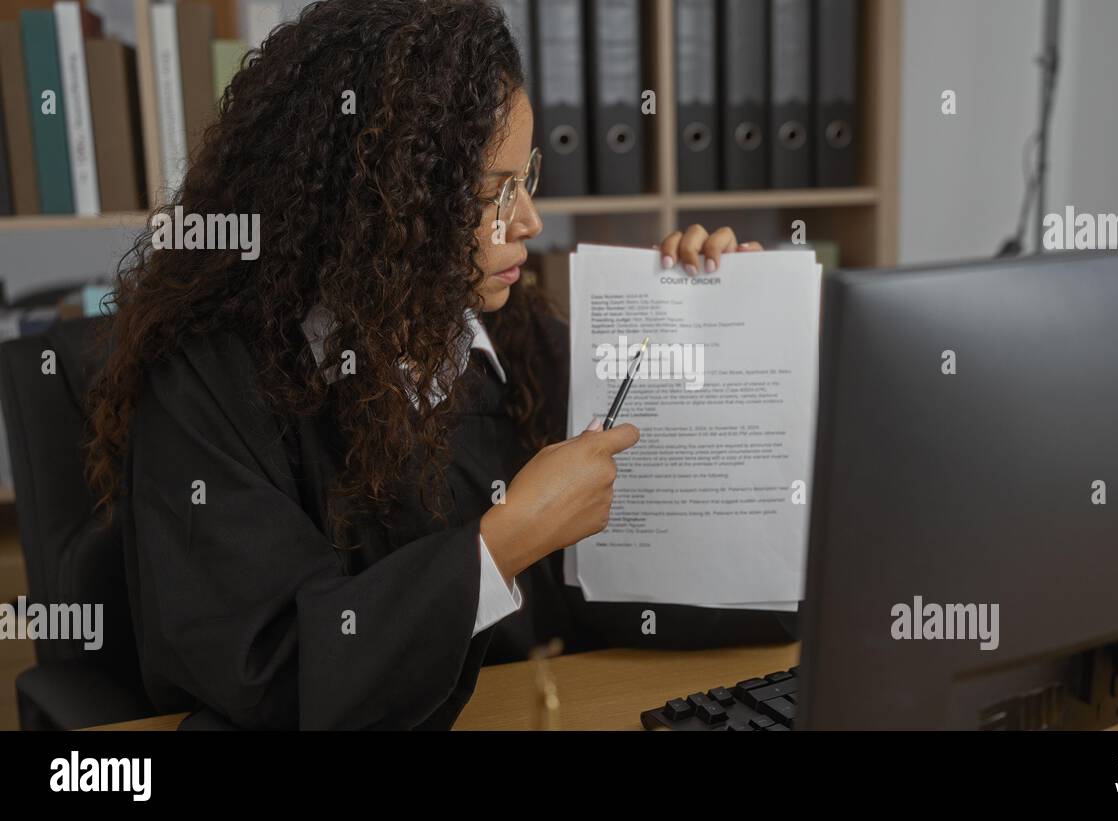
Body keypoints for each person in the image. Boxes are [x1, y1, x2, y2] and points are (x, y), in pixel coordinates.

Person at [85, 0, 795, 730]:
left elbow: (666, 596)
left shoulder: (519, 341)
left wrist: (722, 340)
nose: (529, 222)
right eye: (493, 191)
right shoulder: (209, 387)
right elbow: (274, 676)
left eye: (528, 179)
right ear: (376, 202)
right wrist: (501, 543)